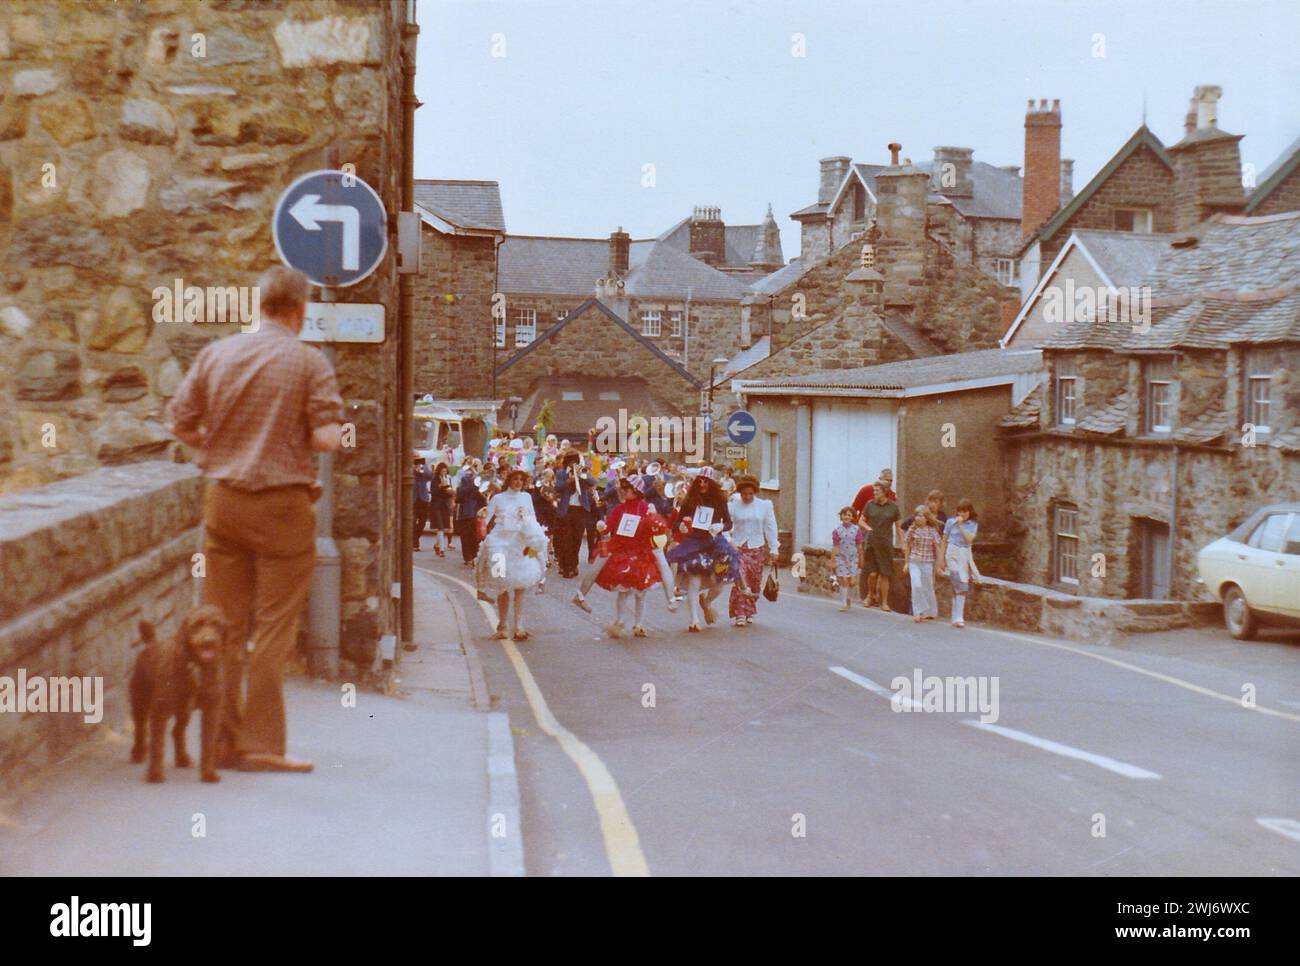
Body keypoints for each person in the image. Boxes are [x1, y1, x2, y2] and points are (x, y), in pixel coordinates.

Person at [164, 264, 341, 775]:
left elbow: (179, 422)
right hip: (283, 506)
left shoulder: (217, 354)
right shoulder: (308, 363)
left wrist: (218, 445)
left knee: (223, 625)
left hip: (224, 502)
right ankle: (261, 745)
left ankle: (220, 741)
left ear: (259, 305)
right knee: (273, 627)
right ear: (300, 310)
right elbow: (329, 438)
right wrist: (291, 438)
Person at [475, 468, 548, 640]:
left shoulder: (526, 497)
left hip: (520, 544)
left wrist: (534, 539)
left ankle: (519, 626)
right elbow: (486, 518)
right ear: (509, 481)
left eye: (521, 480)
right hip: (499, 544)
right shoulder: (497, 498)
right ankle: (502, 625)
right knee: (502, 585)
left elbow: (533, 519)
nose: (518, 483)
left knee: (520, 586)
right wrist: (481, 519)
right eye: (515, 479)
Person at [666, 469, 740, 632]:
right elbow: (677, 523)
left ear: (712, 483)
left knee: (719, 583)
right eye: (699, 481)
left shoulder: (720, 500)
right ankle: (694, 619)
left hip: (716, 544)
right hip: (694, 544)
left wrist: (720, 526)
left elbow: (728, 523)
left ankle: (707, 603)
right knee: (694, 580)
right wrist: (683, 527)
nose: (702, 484)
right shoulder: (689, 500)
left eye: (706, 481)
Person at [591, 477, 667, 638]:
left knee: (641, 591)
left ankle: (639, 625)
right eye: (622, 487)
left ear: (636, 491)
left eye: (627, 488)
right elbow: (608, 529)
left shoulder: (646, 508)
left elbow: (656, 530)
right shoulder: (619, 508)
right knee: (622, 590)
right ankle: (619, 622)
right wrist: (601, 527)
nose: (623, 491)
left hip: (641, 553)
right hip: (623, 553)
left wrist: (653, 521)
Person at [727, 475, 778, 626]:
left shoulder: (765, 506)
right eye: (744, 494)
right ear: (740, 493)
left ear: (755, 493)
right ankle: (740, 613)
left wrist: (774, 548)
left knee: (754, 581)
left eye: (750, 493)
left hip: (757, 547)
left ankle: (750, 610)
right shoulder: (732, 506)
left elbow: (770, 527)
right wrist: (729, 542)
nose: (747, 496)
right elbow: (726, 526)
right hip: (738, 547)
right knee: (740, 578)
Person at [850, 468, 897, 605]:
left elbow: (894, 515)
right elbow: (854, 509)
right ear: (879, 479)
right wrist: (858, 528)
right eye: (885, 479)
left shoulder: (892, 496)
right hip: (866, 532)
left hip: (883, 535)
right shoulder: (866, 491)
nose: (888, 482)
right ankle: (868, 595)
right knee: (869, 568)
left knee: (883, 568)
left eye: (890, 480)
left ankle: (880, 599)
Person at [554, 451, 597, 578]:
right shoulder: (562, 473)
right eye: (570, 461)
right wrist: (568, 481)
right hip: (566, 509)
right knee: (566, 539)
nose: (573, 463)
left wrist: (581, 475)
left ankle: (574, 565)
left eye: (575, 460)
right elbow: (557, 487)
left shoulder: (582, 471)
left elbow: (592, 481)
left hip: (580, 509)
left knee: (577, 539)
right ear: (567, 462)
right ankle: (566, 567)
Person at [938, 499, 979, 629]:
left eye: (965, 511)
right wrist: (941, 558)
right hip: (952, 552)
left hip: (964, 553)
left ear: (969, 512)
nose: (962, 514)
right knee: (958, 580)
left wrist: (961, 526)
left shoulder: (972, 524)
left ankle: (956, 616)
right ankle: (958, 617)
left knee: (961, 583)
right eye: (960, 511)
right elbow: (944, 540)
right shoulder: (950, 522)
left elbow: (969, 539)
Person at [861, 482, 901, 612]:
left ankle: (884, 602)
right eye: (874, 490)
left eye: (877, 490)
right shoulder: (870, 505)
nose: (874, 493)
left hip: (885, 545)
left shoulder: (893, 507)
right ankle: (870, 595)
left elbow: (898, 527)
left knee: (885, 574)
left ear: (884, 491)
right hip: (872, 543)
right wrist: (867, 528)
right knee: (872, 573)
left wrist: (902, 544)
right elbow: (861, 520)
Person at [904, 504, 940, 622]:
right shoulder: (912, 529)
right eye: (916, 516)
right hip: (914, 561)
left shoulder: (932, 531)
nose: (918, 518)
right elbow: (907, 545)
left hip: (928, 562)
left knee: (928, 586)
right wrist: (906, 563)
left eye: (921, 516)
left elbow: (937, 547)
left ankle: (930, 612)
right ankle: (917, 612)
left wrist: (939, 563)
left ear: (926, 518)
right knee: (916, 585)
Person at [831, 506, 866, 611]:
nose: (846, 517)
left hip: (852, 558)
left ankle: (848, 596)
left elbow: (859, 546)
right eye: (844, 514)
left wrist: (861, 558)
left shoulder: (856, 530)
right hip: (841, 558)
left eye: (849, 515)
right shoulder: (837, 531)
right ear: (841, 516)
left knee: (852, 582)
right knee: (843, 579)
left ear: (852, 517)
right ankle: (844, 603)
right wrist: (833, 561)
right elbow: (835, 546)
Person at [454, 469, 486, 566]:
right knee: (468, 536)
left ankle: (473, 556)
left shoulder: (482, 481)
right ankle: (469, 556)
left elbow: (483, 498)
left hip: (476, 512)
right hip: (467, 513)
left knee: (474, 536)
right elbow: (460, 496)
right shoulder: (466, 480)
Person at [428, 461, 455, 557]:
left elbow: (451, 492)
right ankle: (442, 549)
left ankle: (437, 544)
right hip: (436, 504)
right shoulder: (434, 480)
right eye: (442, 471)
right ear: (439, 471)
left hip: (445, 505)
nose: (444, 473)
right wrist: (440, 487)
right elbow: (433, 492)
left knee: (444, 527)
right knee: (440, 526)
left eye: (445, 471)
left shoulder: (448, 478)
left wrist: (449, 490)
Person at [413, 456, 433, 552]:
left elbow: (430, 476)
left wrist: (422, 468)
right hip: (413, 498)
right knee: (412, 521)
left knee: (422, 521)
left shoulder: (424, 467)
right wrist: (414, 469)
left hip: (423, 498)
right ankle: (414, 542)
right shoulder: (410, 468)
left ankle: (415, 537)